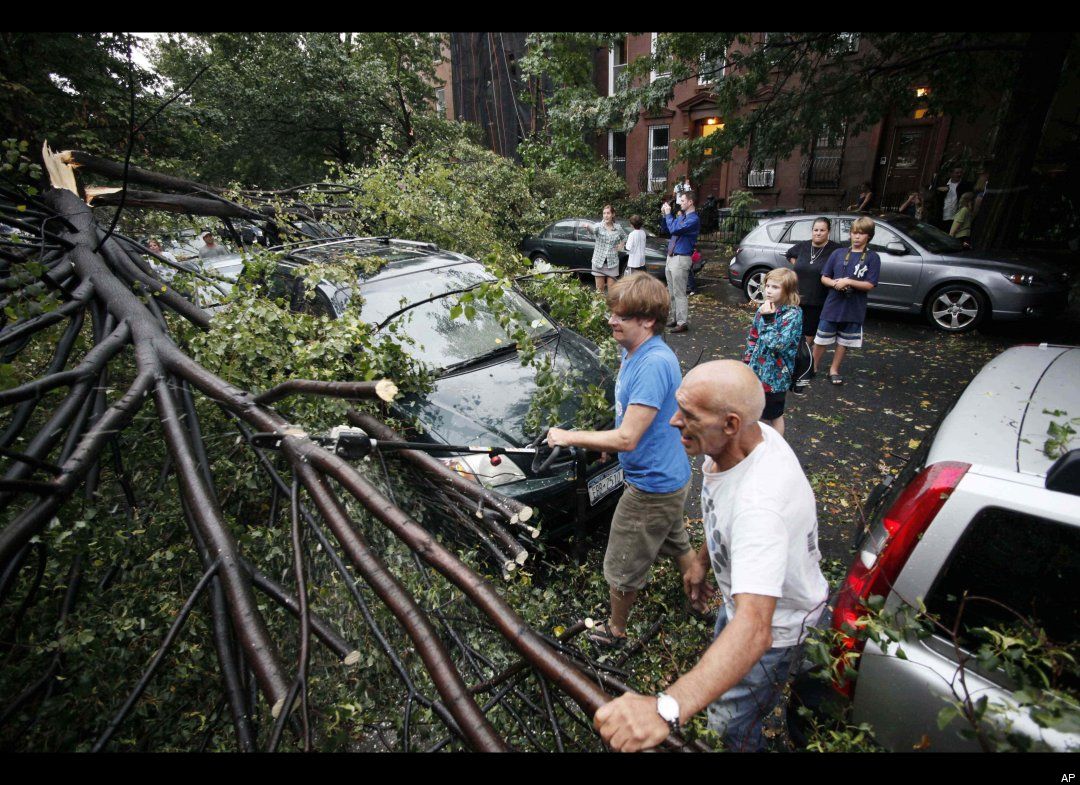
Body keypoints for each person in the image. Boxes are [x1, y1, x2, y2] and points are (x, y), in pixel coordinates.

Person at [593, 360, 829, 752]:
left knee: (728, 729)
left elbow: (755, 628)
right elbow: (723, 510)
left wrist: (665, 708)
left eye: (688, 415)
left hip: (777, 632)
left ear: (731, 423)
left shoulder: (759, 505)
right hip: (742, 605)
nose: (674, 421)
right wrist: (702, 561)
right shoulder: (742, 445)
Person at [546, 274, 693, 647]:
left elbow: (628, 437)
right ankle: (700, 599)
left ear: (648, 320)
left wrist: (568, 436)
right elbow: (633, 421)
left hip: (651, 486)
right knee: (676, 541)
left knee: (621, 563)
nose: (611, 320)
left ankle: (615, 631)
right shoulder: (636, 352)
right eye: (613, 312)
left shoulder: (652, 364)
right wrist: (608, 445)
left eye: (622, 316)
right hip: (669, 474)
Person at [812, 216, 881, 385]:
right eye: (854, 233)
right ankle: (812, 367)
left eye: (861, 233)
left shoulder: (872, 257)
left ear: (869, 236)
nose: (856, 237)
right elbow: (824, 277)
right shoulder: (838, 253)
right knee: (821, 338)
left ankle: (834, 370)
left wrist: (849, 282)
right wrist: (835, 284)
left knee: (844, 341)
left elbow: (870, 284)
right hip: (833, 304)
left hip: (854, 306)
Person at [743, 268, 802, 437]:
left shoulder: (793, 314)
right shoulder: (764, 308)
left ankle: (777, 447)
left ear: (788, 290)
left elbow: (778, 344)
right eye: (767, 286)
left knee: (774, 415)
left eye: (775, 287)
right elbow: (753, 337)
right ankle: (759, 444)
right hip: (757, 371)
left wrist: (768, 319)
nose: (768, 290)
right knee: (757, 413)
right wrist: (747, 362)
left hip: (777, 376)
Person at [786, 217, 841, 351]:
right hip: (797, 297)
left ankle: (802, 356)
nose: (818, 233)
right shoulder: (803, 246)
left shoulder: (835, 249)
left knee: (809, 332)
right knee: (792, 329)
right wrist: (800, 266)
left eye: (822, 230)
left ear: (828, 231)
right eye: (815, 230)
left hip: (817, 299)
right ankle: (791, 355)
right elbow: (789, 254)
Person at [661, 190, 700, 333]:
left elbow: (674, 230)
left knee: (679, 292)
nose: (680, 203)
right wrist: (664, 215)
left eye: (683, 201)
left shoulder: (693, 219)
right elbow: (666, 229)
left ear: (690, 202)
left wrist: (668, 215)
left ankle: (682, 322)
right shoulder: (681, 216)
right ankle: (675, 318)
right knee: (672, 292)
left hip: (681, 258)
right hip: (671, 257)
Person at [590, 205, 626, 292]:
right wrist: (588, 227)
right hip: (598, 263)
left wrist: (621, 245)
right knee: (600, 290)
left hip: (613, 263)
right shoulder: (598, 226)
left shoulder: (618, 228)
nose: (606, 215)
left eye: (608, 213)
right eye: (604, 213)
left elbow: (624, 237)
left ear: (613, 214)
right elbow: (593, 230)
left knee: (612, 291)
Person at [937, 166, 973, 232]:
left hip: (955, 217)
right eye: (957, 173)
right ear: (951, 174)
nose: (959, 174)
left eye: (961, 173)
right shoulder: (943, 183)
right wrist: (939, 190)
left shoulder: (965, 185)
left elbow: (969, 197)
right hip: (941, 215)